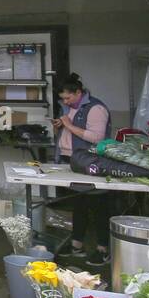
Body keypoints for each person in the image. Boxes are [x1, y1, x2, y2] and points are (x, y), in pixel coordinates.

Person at [53, 73, 113, 265]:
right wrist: (60, 126)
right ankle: (76, 245)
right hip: (72, 161)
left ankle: (103, 249)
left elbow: (97, 137)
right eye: (62, 98)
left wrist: (69, 125)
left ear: (79, 92)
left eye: (68, 97)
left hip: (90, 163)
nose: (65, 101)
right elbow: (70, 129)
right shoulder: (72, 107)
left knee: (98, 204)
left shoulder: (96, 108)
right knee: (79, 204)